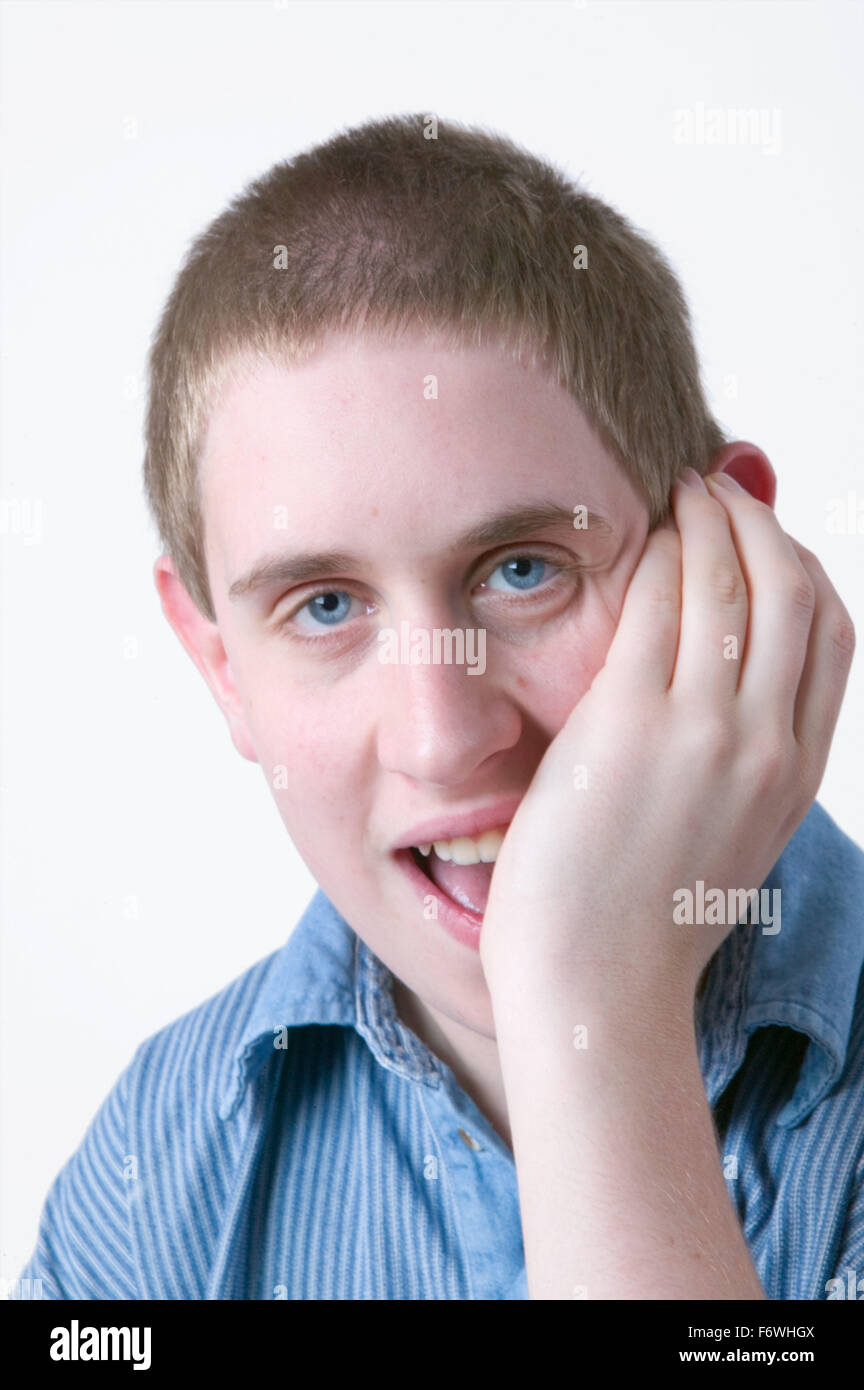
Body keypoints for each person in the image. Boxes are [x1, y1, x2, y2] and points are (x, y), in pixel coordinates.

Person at [14, 113, 863, 1301]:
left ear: (738, 564)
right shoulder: (158, 1175)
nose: (443, 734)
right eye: (323, 606)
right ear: (218, 665)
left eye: (524, 568)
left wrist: (596, 1011)